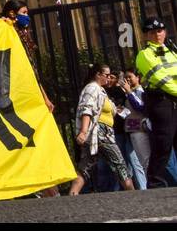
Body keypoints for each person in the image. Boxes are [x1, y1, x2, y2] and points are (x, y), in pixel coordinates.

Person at [67, 63, 134, 195]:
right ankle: (133, 194)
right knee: (119, 164)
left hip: (100, 133)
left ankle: (72, 195)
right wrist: (83, 131)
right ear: (97, 74)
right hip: (101, 133)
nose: (109, 78)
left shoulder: (100, 90)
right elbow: (87, 109)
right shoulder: (92, 88)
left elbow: (108, 110)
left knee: (84, 168)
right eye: (107, 75)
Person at [135, 17, 177, 188]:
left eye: (160, 31)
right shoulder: (144, 54)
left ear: (165, 32)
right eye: (152, 32)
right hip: (161, 102)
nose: (157, 34)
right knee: (164, 141)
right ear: (146, 35)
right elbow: (161, 79)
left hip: (174, 99)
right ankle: (154, 181)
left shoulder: (172, 51)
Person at [121, 67, 150, 190]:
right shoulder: (130, 92)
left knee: (145, 159)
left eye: (130, 77)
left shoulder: (139, 91)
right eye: (126, 77)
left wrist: (129, 92)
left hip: (140, 131)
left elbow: (139, 107)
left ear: (137, 77)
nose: (127, 79)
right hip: (133, 130)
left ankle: (152, 184)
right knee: (138, 160)